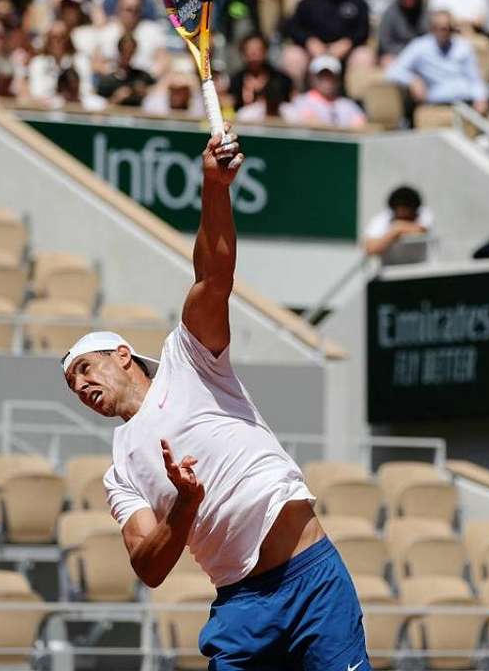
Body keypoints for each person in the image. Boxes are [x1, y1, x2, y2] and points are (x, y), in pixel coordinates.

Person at [61, 126, 370, 671]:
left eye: (85, 369)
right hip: (244, 607)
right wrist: (184, 501)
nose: (82, 387)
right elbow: (148, 567)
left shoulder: (188, 358)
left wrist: (215, 187)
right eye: (72, 386)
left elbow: (214, 274)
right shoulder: (119, 471)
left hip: (313, 576)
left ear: (122, 354)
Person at [282, 0, 370, 87]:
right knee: (292, 56)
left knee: (363, 56)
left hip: (345, 52)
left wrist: (348, 42)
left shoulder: (357, 2)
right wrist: (309, 41)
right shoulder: (309, 1)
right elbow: (294, 27)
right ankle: (294, 97)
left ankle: (357, 102)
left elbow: (363, 30)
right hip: (313, 51)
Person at [385, 9, 488, 113]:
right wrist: (412, 80)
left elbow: (475, 78)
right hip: (437, 102)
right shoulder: (419, 47)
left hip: (466, 101)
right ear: (432, 28)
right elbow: (393, 72)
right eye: (442, 28)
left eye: (449, 28)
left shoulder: (463, 47)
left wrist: (481, 98)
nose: (446, 32)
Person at [280, 55, 366, 128]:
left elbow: (360, 126)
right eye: (322, 77)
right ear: (312, 78)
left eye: (331, 77)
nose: (327, 81)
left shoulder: (348, 106)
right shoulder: (300, 102)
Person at [363, 185, 434, 265]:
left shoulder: (424, 214)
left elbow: (421, 230)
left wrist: (397, 229)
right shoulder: (381, 220)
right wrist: (396, 231)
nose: (403, 214)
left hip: (419, 268)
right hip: (390, 271)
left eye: (407, 214)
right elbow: (371, 248)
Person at [96, 33, 154, 108]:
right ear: (119, 50)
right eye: (124, 51)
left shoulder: (142, 76)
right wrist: (116, 98)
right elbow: (100, 109)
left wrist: (145, 91)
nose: (127, 55)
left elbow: (156, 91)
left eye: (131, 52)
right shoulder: (107, 81)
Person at [376, 0, 425, 64]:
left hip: (420, 56)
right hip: (395, 55)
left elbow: (429, 40)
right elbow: (385, 43)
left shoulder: (425, 12)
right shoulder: (391, 12)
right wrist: (407, 52)